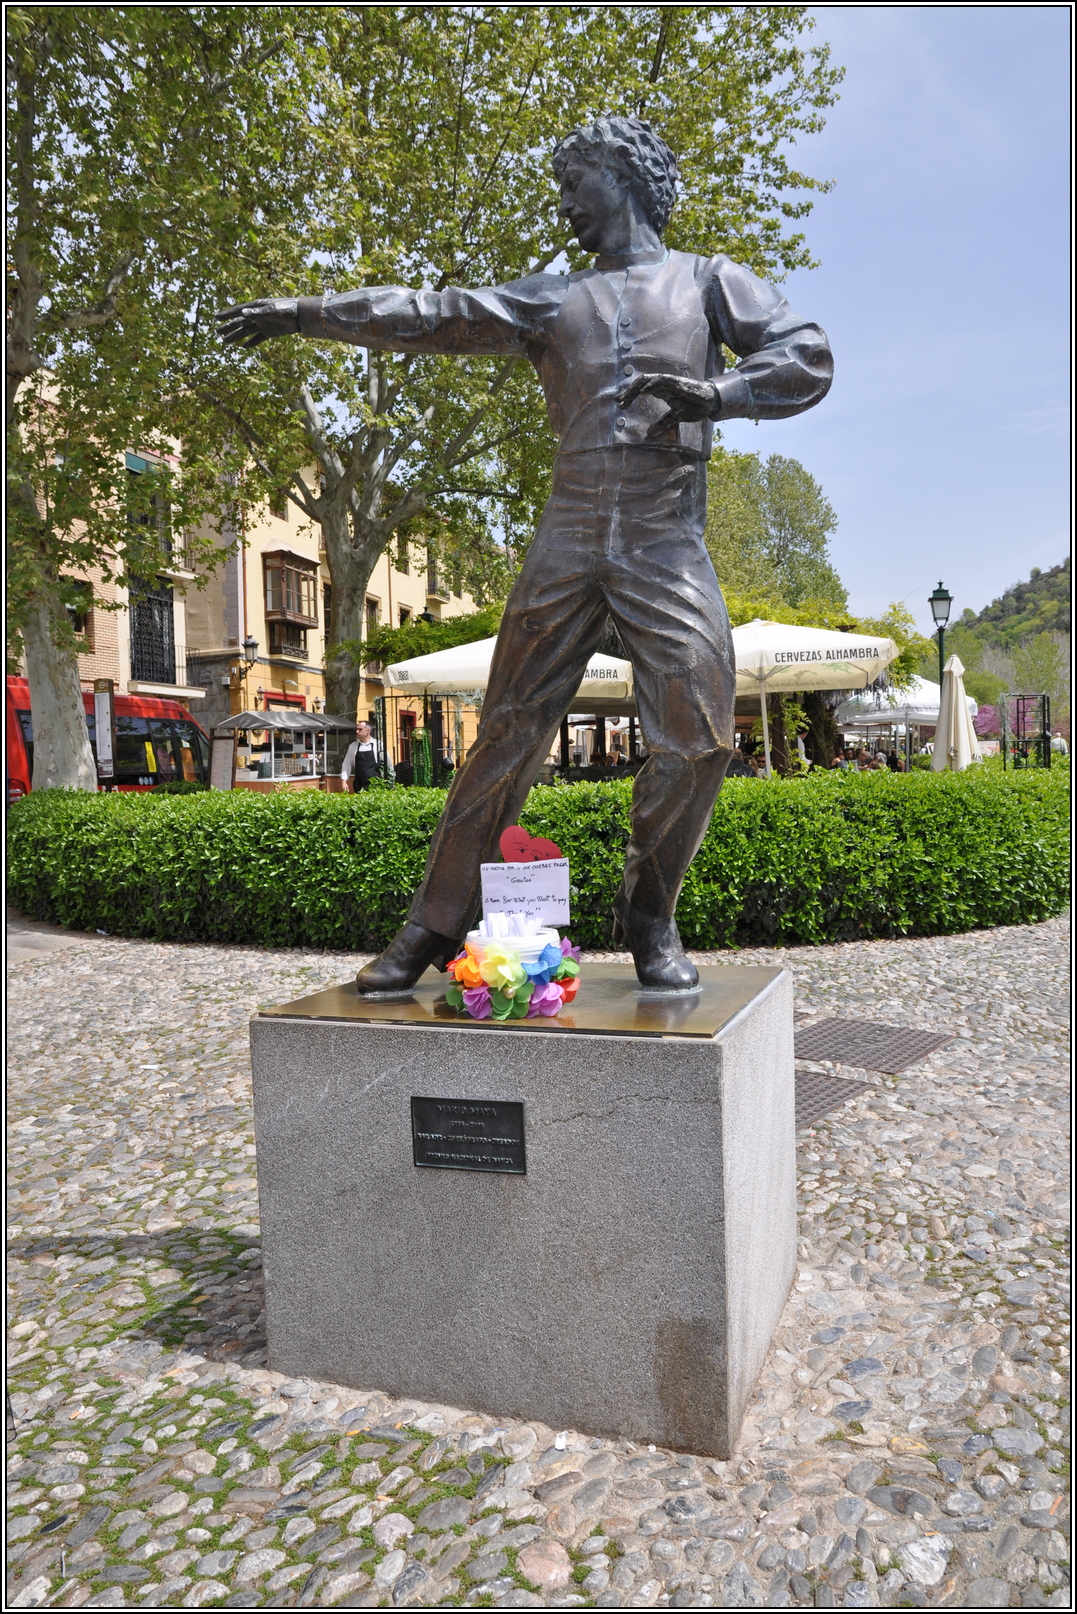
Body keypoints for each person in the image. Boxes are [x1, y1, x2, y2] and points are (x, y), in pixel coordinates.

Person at [220, 114, 831, 992]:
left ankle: (649, 913)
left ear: (619, 178)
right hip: (569, 531)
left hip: (665, 535)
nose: (564, 205)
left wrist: (715, 392)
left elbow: (805, 357)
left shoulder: (709, 282)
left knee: (697, 737)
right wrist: (307, 314)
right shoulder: (554, 297)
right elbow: (432, 316)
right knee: (504, 735)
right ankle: (432, 926)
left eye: (573, 185)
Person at [340, 722, 392, 791]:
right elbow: (347, 764)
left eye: (360, 729)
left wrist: (390, 780)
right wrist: (344, 781)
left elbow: (388, 764)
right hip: (358, 784)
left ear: (368, 731)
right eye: (356, 729)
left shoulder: (378, 745)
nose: (357, 731)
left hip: (375, 785)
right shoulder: (353, 746)